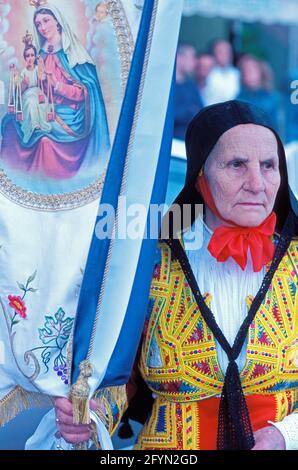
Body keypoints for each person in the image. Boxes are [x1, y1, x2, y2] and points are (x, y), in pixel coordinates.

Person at [55, 100, 298, 450]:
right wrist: (87, 418)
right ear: (201, 175)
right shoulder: (147, 267)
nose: (257, 183)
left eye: (269, 165)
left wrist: (285, 435)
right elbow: (118, 383)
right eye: (237, 165)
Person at [1, 4, 110, 180]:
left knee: (44, 140)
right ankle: (16, 185)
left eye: (46, 21)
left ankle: (46, 186)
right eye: (37, 24)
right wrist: (22, 83)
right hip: (43, 107)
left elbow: (86, 92)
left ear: (58, 22)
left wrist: (57, 86)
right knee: (8, 123)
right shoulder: (39, 56)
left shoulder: (74, 55)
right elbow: (31, 84)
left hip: (70, 115)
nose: (42, 27)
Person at [237, 55, 280, 131]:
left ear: (260, 72)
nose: (247, 74)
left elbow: (277, 125)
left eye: (250, 71)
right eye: (244, 71)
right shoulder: (239, 98)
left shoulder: (272, 98)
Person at [20, 42, 52, 144]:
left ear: (35, 57)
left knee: (41, 102)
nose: (30, 58)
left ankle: (42, 125)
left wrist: (42, 68)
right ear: (25, 58)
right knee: (31, 102)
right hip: (27, 94)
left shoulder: (38, 69)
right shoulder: (24, 72)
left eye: (32, 55)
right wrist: (24, 83)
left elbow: (42, 78)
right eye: (27, 56)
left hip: (37, 92)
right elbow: (20, 90)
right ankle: (34, 126)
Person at [174, 44, 203, 140]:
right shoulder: (165, 87)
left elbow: (200, 113)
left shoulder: (191, 86)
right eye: (192, 57)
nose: (195, 62)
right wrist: (188, 111)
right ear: (179, 57)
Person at [205, 39, 240, 105]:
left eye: (228, 51)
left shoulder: (237, 74)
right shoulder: (206, 73)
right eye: (221, 52)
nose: (226, 55)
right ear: (213, 53)